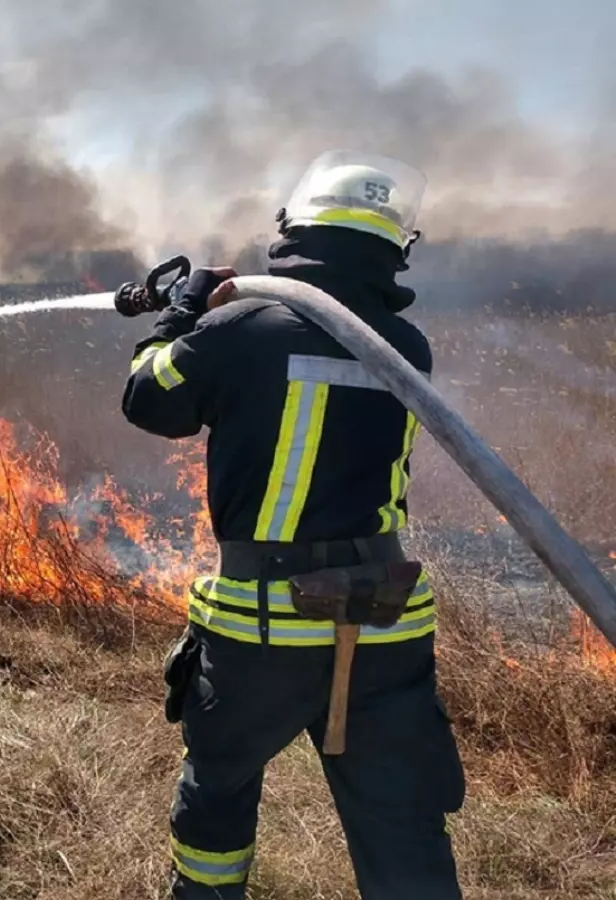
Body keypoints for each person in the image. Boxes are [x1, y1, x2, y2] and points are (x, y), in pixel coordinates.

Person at [120, 150, 465, 900]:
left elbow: (148, 398)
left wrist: (181, 316)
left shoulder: (244, 326)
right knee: (403, 823)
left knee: (218, 794)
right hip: (383, 622)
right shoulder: (405, 347)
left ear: (295, 227)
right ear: (394, 246)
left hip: (265, 628)